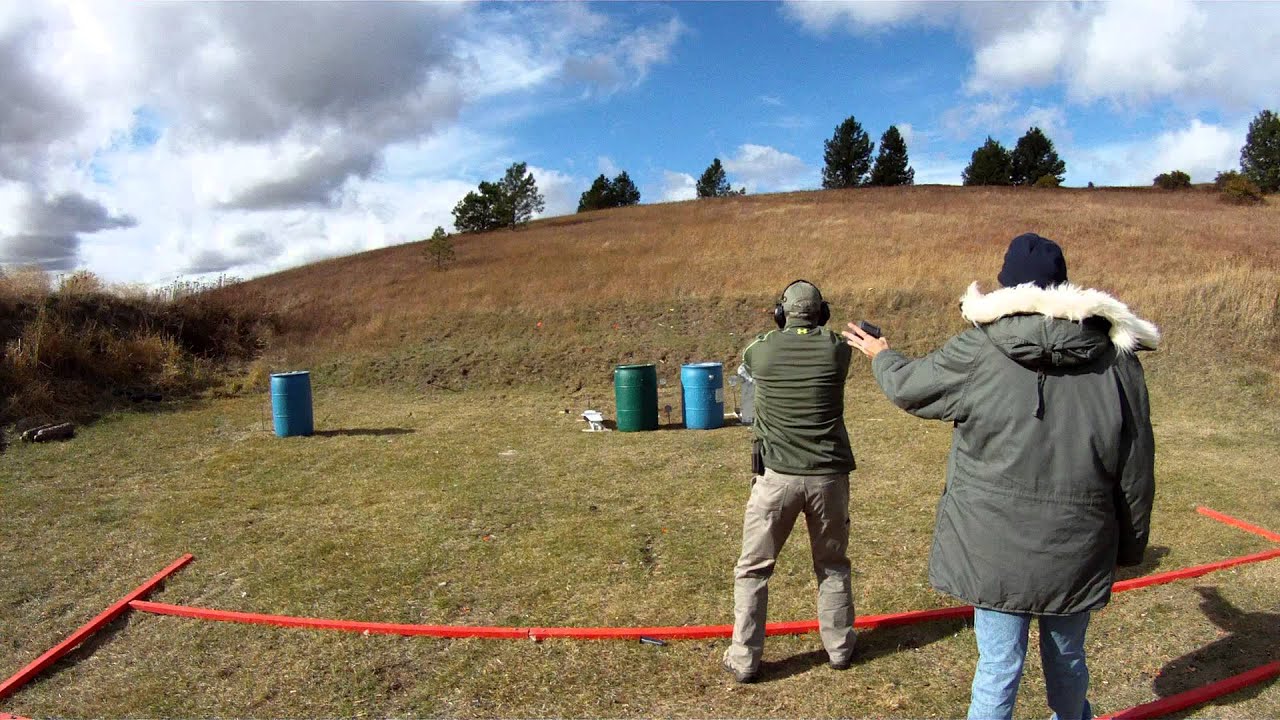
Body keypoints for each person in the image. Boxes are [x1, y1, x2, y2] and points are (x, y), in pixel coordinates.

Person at [842, 233, 1157, 720]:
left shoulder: (978, 348)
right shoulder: (1119, 360)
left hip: (993, 545)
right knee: (1067, 659)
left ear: (1006, 286)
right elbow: (1136, 467)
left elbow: (909, 387)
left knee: (997, 666)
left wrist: (882, 354)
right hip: (1078, 545)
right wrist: (1131, 547)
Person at [722, 279, 857, 684]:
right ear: (823, 313)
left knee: (753, 570)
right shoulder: (838, 350)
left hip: (776, 479)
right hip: (828, 479)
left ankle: (745, 658)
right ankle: (840, 649)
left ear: (781, 314)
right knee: (832, 566)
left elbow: (749, 359)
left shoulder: (761, 349)